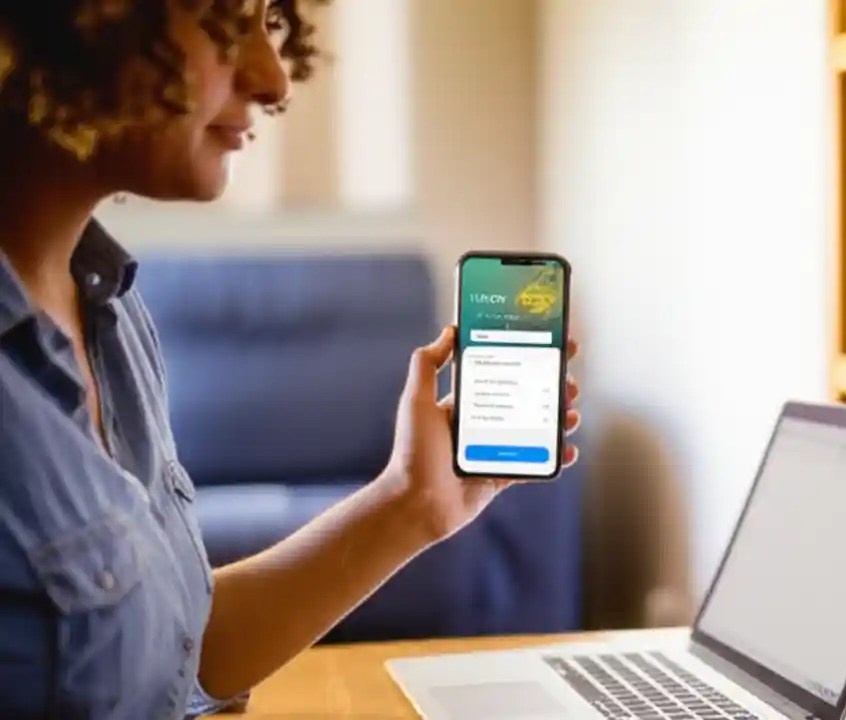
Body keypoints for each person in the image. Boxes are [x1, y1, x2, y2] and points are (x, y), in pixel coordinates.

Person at [0, 1, 582, 718]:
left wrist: (409, 505)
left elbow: (181, 653)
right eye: (224, 22)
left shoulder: (108, 308)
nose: (274, 81)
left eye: (268, 24)